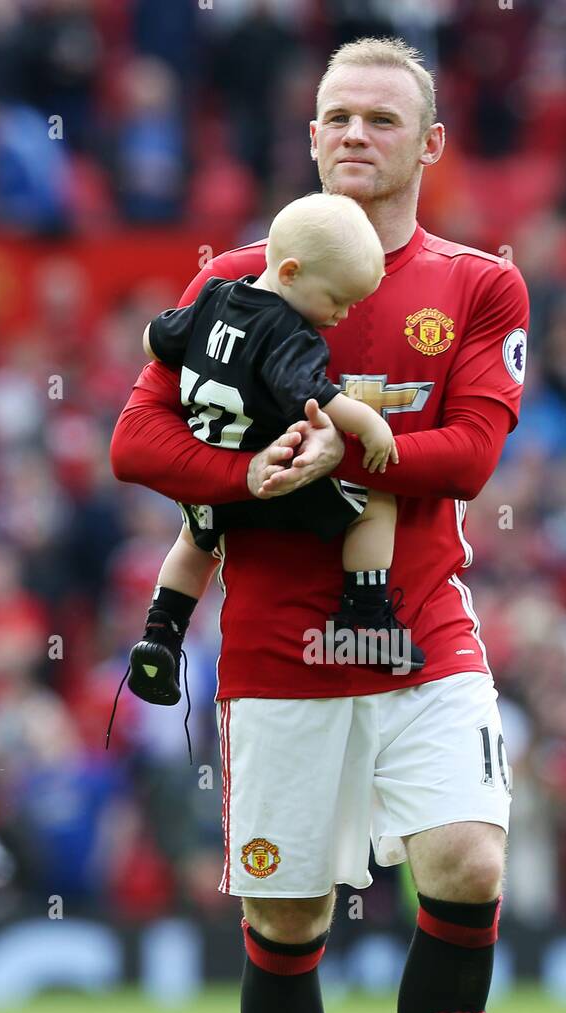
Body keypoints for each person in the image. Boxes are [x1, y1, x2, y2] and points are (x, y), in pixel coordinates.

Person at [110, 36, 529, 1013]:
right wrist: (256, 472)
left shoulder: (480, 286)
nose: (356, 134)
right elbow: (136, 444)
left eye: (383, 119)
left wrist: (348, 448)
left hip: (420, 630)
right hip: (281, 653)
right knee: (289, 923)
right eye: (336, 115)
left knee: (467, 863)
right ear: (307, 137)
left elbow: (473, 456)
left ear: (430, 145)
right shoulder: (237, 281)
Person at [127, 192, 423, 716]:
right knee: (378, 502)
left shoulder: (214, 296)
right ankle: (366, 616)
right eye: (336, 299)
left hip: (209, 474)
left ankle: (161, 635)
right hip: (273, 476)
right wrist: (372, 425)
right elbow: (317, 399)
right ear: (289, 272)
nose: (342, 313)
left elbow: (155, 340)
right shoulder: (290, 333)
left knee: (194, 544)